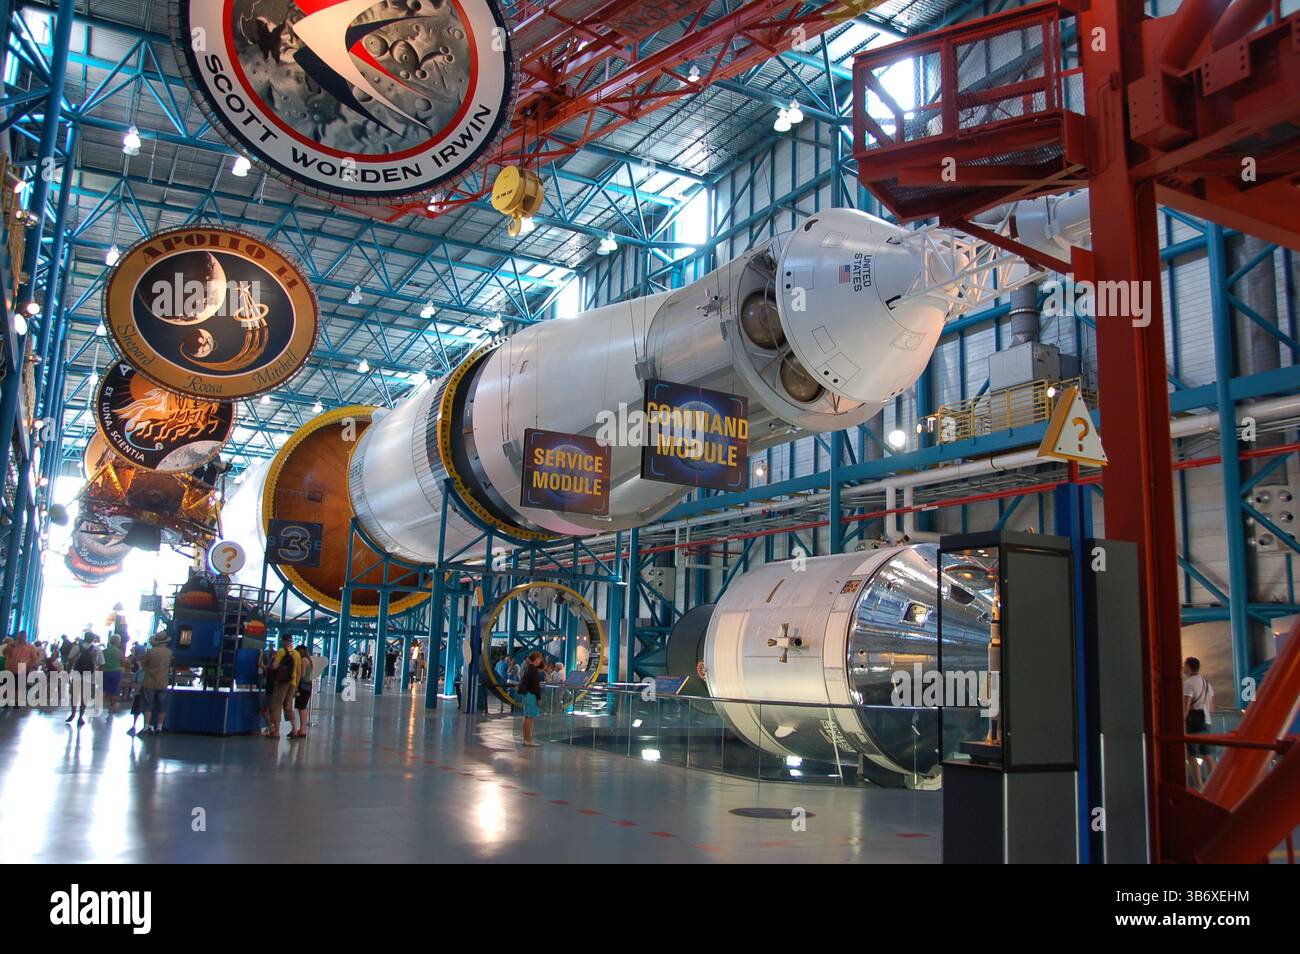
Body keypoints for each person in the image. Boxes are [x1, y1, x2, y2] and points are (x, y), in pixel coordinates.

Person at [1183, 656, 1216, 789]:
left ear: (1189, 667)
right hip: (1207, 721)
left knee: (1192, 755)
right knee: (1207, 754)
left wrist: (1182, 722)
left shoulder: (1189, 684)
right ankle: (1215, 784)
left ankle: (1199, 786)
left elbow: (1186, 707)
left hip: (1194, 723)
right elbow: (1211, 708)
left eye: (1184, 665)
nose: (1183, 668)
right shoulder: (1207, 683)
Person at [263, 635, 300, 739]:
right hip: (292, 683)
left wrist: (267, 667)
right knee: (288, 706)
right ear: (291, 642)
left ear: (284, 641)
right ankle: (295, 730)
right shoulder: (296, 654)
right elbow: (298, 672)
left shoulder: (281, 651)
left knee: (276, 705)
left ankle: (276, 732)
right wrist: (296, 686)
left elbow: (274, 666)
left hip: (282, 682)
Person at [139, 632, 173, 735]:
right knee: (162, 706)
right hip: (162, 682)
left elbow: (143, 663)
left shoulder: (151, 652)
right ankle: (159, 727)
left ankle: (146, 728)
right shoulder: (169, 652)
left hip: (149, 681)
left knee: (147, 706)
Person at [517, 651, 544, 747]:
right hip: (531, 695)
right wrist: (539, 698)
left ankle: (525, 739)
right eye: (540, 659)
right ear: (537, 658)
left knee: (526, 717)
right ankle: (528, 739)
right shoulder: (533, 669)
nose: (540, 661)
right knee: (530, 718)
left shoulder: (528, 668)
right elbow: (535, 685)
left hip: (526, 695)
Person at [291, 644, 314, 739]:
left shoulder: (303, 661)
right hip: (308, 685)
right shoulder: (309, 660)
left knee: (301, 708)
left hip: (303, 685)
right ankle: (302, 729)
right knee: (303, 707)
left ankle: (302, 730)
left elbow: (302, 674)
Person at [101, 635, 124, 715]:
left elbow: (101, 662)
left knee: (104, 689)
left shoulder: (104, 651)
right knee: (114, 690)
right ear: (118, 642)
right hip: (116, 672)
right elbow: (122, 662)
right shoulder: (119, 652)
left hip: (105, 672)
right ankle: (112, 706)